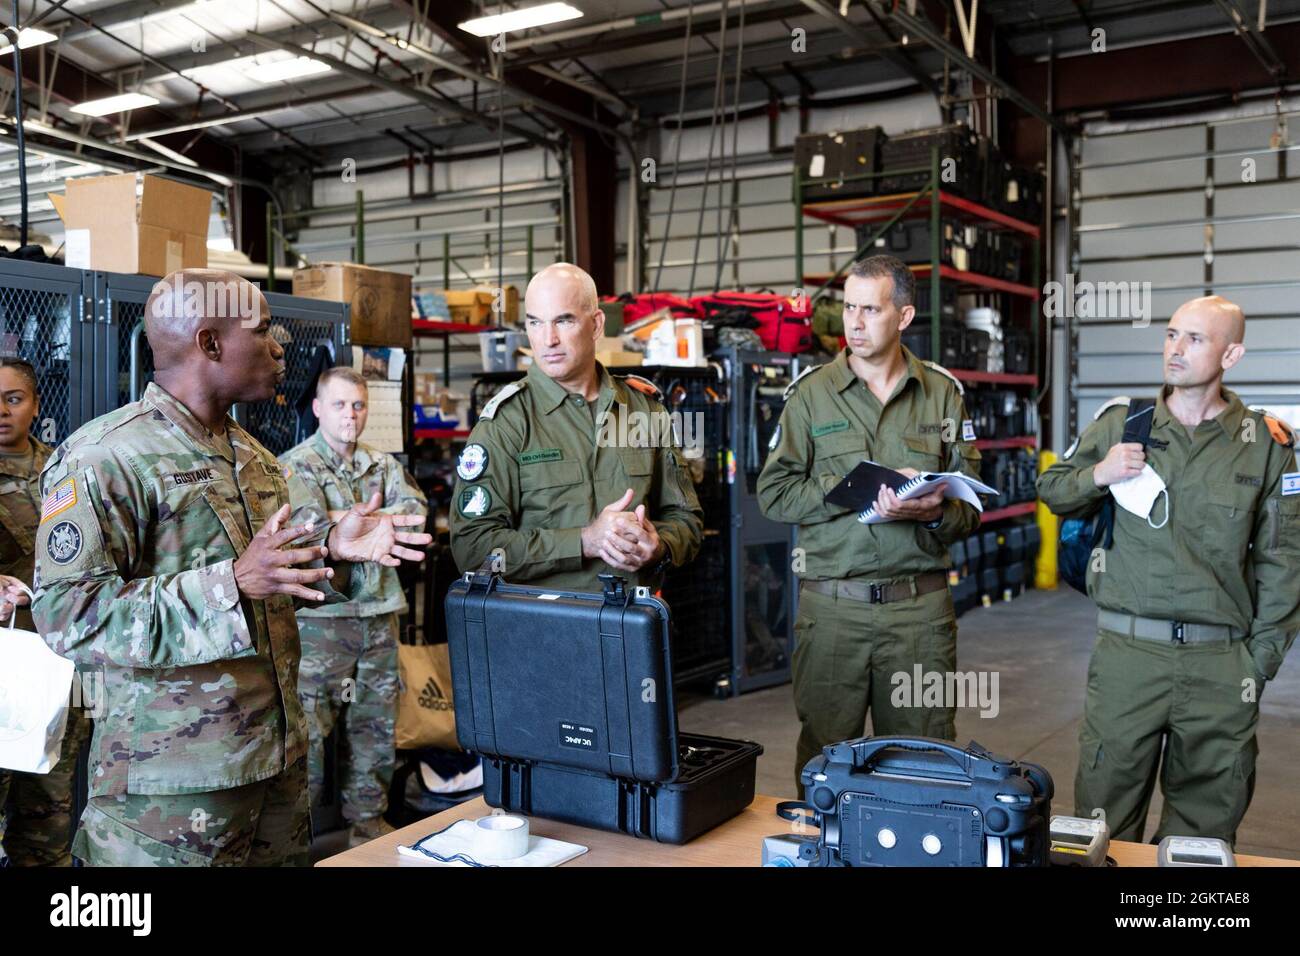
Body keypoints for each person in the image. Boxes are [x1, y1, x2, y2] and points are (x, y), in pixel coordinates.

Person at [31, 269, 430, 866]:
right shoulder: (102, 459)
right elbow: (68, 619)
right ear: (210, 343)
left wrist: (330, 551)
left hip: (276, 764)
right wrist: (229, 585)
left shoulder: (256, 458)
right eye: (265, 329)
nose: (280, 346)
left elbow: (273, 587)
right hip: (169, 791)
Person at [1038, 294, 1299, 845]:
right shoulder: (1121, 423)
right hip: (1128, 658)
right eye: (1171, 335)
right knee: (1100, 824)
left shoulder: (1265, 446)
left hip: (1221, 664)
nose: (1175, 350)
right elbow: (1052, 490)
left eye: (1194, 339)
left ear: (1231, 355)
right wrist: (1100, 475)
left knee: (1203, 833)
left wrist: (1257, 665)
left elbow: (1283, 561)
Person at [757, 255, 982, 792]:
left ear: (903, 316)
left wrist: (933, 512)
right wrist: (851, 488)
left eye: (870, 310)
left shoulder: (943, 393)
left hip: (918, 616)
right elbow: (773, 494)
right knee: (827, 761)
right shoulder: (810, 396)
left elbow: (970, 508)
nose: (854, 324)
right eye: (848, 309)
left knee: (922, 759)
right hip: (834, 612)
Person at [450, 262, 703, 591]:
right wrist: (584, 541)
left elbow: (687, 520)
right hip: (545, 630)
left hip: (632, 627)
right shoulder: (506, 424)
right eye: (535, 323)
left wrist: (660, 545)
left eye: (563, 320)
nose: (548, 339)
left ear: (596, 325)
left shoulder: (643, 409)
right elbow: (473, 551)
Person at [281, 367, 427, 847]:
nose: (351, 414)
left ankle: (368, 829)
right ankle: (297, 838)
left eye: (359, 405)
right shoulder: (292, 466)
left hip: (380, 615)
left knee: (375, 727)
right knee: (311, 736)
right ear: (318, 409)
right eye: (341, 404)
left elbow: (416, 514)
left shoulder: (382, 464)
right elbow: (304, 528)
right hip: (325, 621)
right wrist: (359, 522)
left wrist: (340, 517)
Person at [0, 359, 90, 865]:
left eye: (14, 398)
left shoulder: (66, 469)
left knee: (48, 818)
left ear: (35, 405)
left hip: (56, 668)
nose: (1, 410)